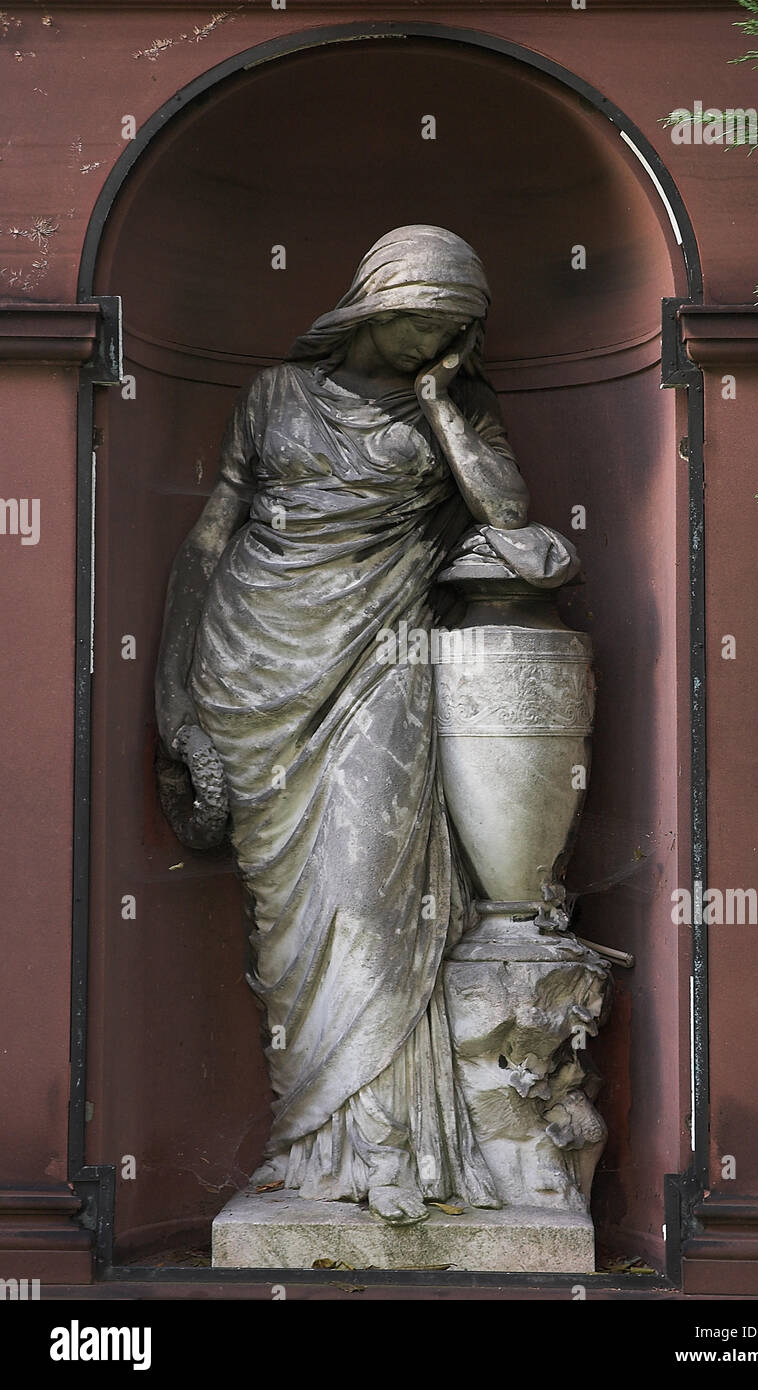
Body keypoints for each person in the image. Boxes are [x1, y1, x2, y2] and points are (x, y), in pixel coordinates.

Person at [155, 226, 530, 1224]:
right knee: (285, 920)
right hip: (253, 664)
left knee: (369, 892)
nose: (429, 342)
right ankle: (309, 1147)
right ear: (373, 302)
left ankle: (382, 1136)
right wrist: (173, 695)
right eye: (419, 320)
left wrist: (443, 408)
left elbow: (504, 510)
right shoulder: (272, 395)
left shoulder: (454, 400)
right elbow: (208, 540)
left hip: (380, 660)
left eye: (453, 331)